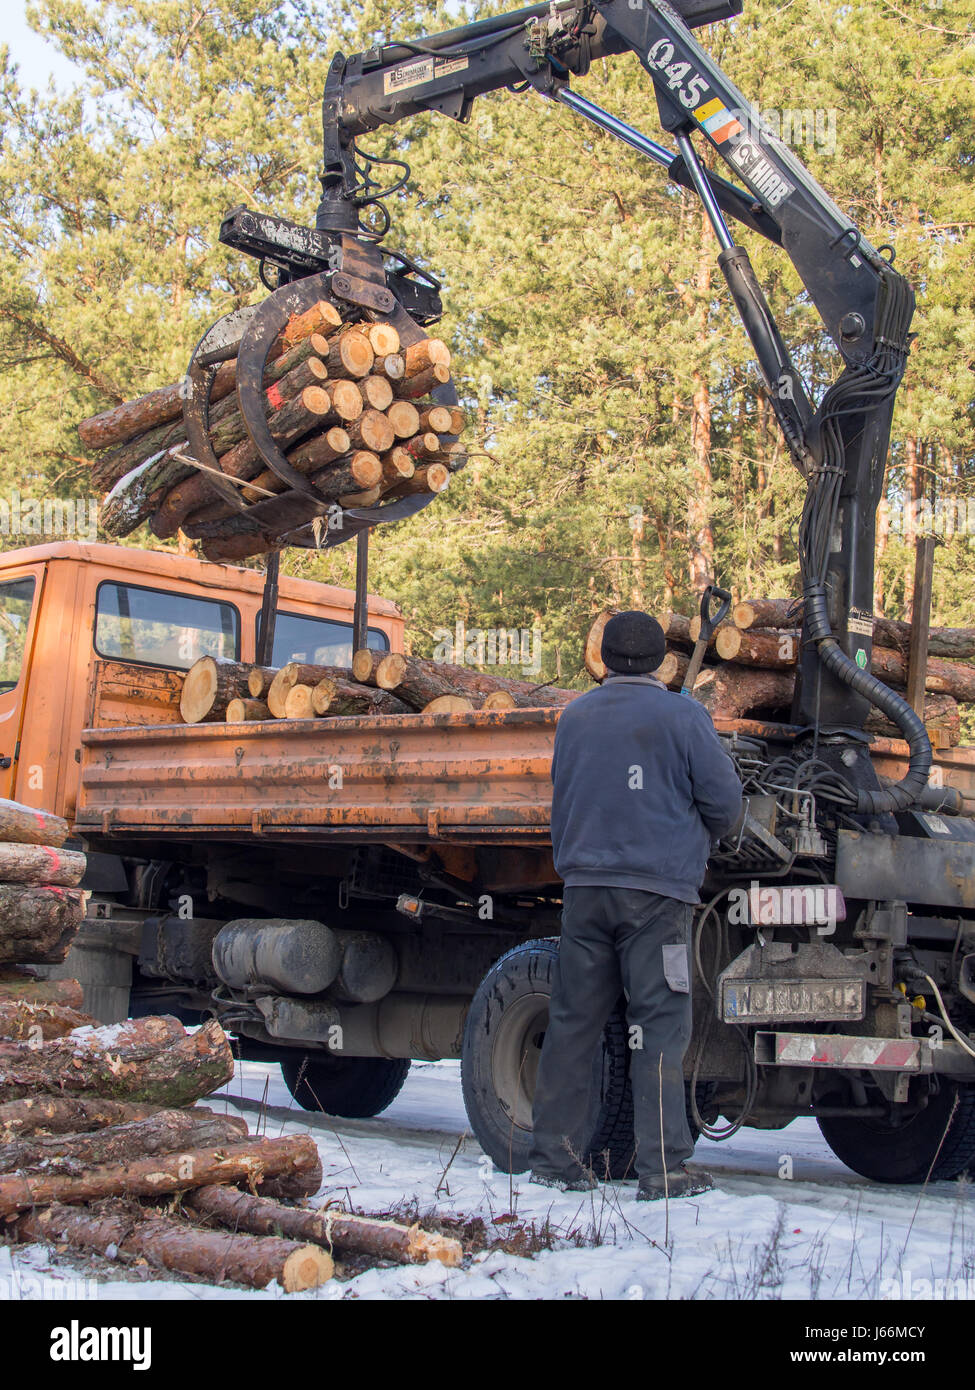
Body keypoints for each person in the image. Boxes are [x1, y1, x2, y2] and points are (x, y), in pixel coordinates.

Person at [529, 610, 743, 1200]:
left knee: (573, 1023)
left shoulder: (574, 716)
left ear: (604, 659)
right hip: (656, 897)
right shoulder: (684, 717)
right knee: (658, 1029)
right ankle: (663, 1170)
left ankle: (552, 1160)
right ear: (660, 662)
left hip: (585, 892)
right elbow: (726, 808)